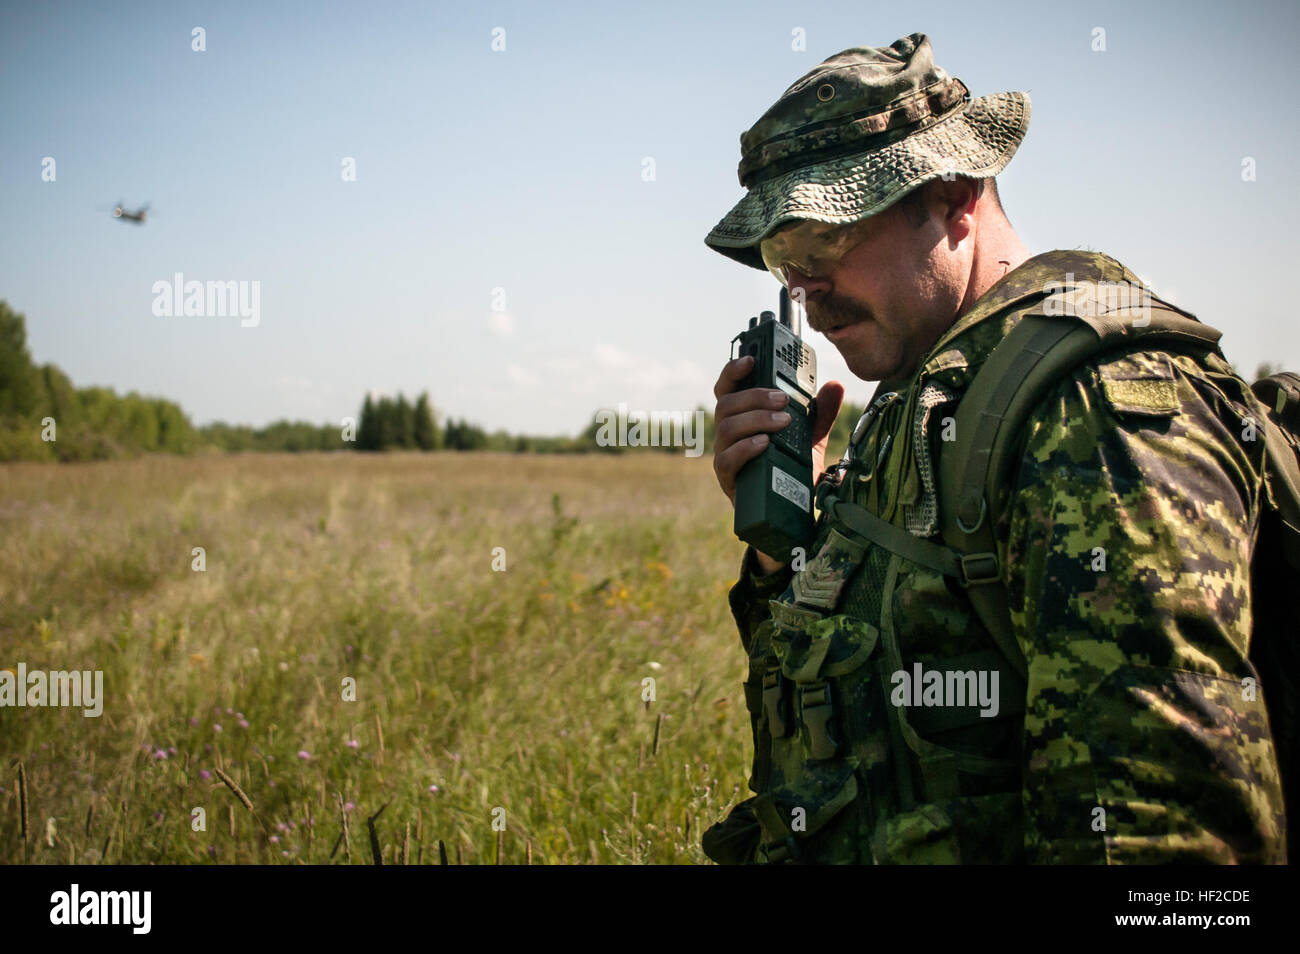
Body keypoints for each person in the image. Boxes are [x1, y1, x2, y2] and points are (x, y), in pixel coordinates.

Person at [701, 33, 1287, 864]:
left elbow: (1160, 842)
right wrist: (784, 547)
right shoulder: (918, 403)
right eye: (781, 257)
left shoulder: (1096, 406)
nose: (804, 287)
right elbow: (842, 736)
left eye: (824, 240)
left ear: (953, 194)